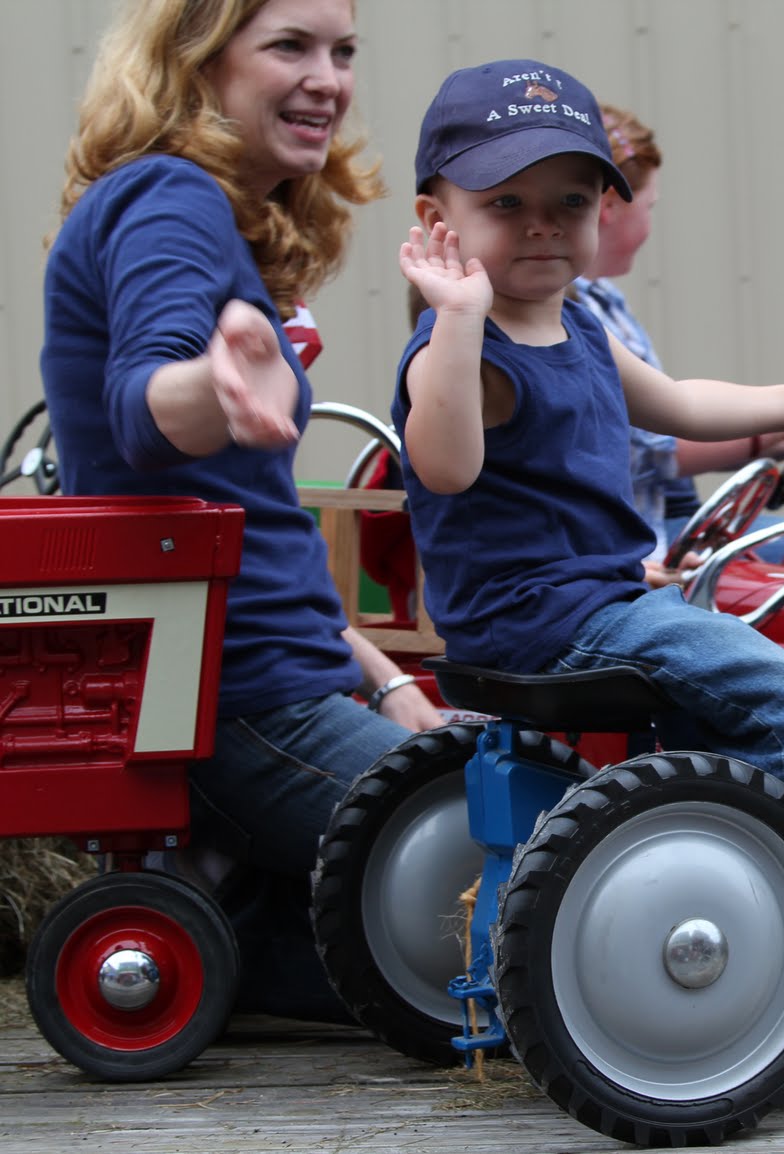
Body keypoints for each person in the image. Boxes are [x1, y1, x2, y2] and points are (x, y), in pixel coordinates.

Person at [394, 57, 784, 1054]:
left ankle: (734, 879)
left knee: (716, 693)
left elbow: (674, 404)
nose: (544, 222)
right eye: (506, 202)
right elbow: (446, 462)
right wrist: (456, 316)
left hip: (593, 596)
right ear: (438, 219)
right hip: (544, 617)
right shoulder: (459, 350)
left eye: (572, 199)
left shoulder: (580, 320)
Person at [39, 0, 441, 1021]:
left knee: (495, 866)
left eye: (343, 51)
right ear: (197, 63)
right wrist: (207, 387)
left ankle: (247, 947)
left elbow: (252, 526)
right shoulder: (174, 199)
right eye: (289, 46)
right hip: (248, 703)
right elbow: (143, 404)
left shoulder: (192, 210)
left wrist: (387, 678)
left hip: (275, 683)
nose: (328, 79)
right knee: (537, 869)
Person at [570, 103, 784, 575]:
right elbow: (646, 444)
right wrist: (768, 434)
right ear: (609, 207)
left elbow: (671, 406)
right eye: (650, 208)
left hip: (661, 518)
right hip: (633, 546)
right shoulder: (565, 315)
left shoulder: (603, 301)